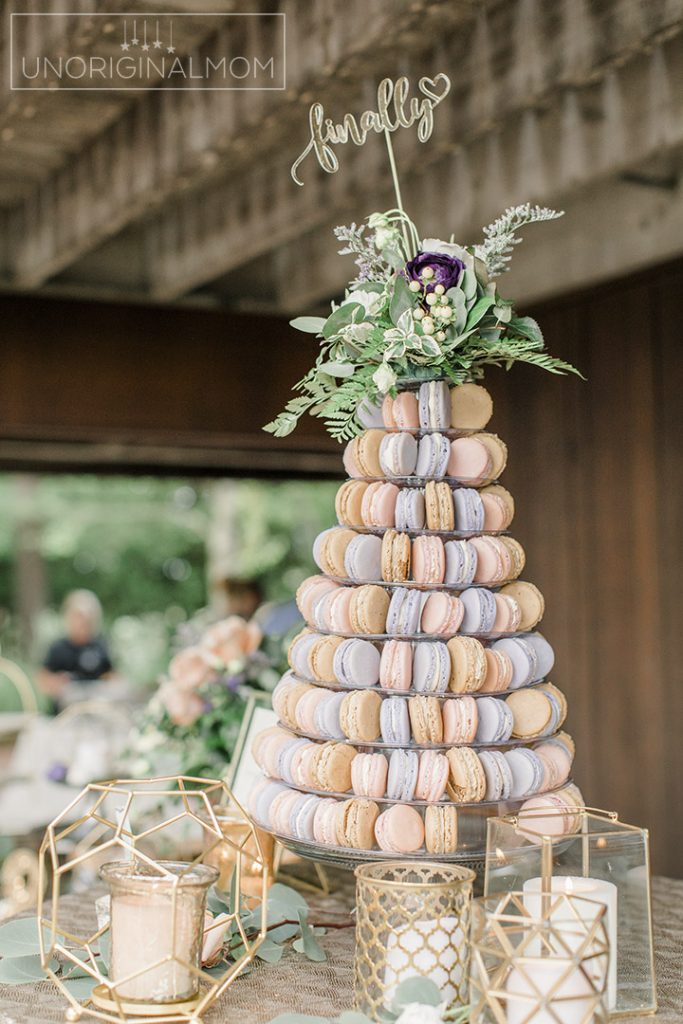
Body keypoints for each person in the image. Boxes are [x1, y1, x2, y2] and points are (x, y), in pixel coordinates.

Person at [37, 590, 114, 701]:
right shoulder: (58, 648)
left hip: (96, 704)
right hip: (66, 709)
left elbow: (112, 675)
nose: (84, 621)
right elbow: (42, 679)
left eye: (89, 616)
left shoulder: (99, 646)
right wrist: (57, 683)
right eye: (79, 616)